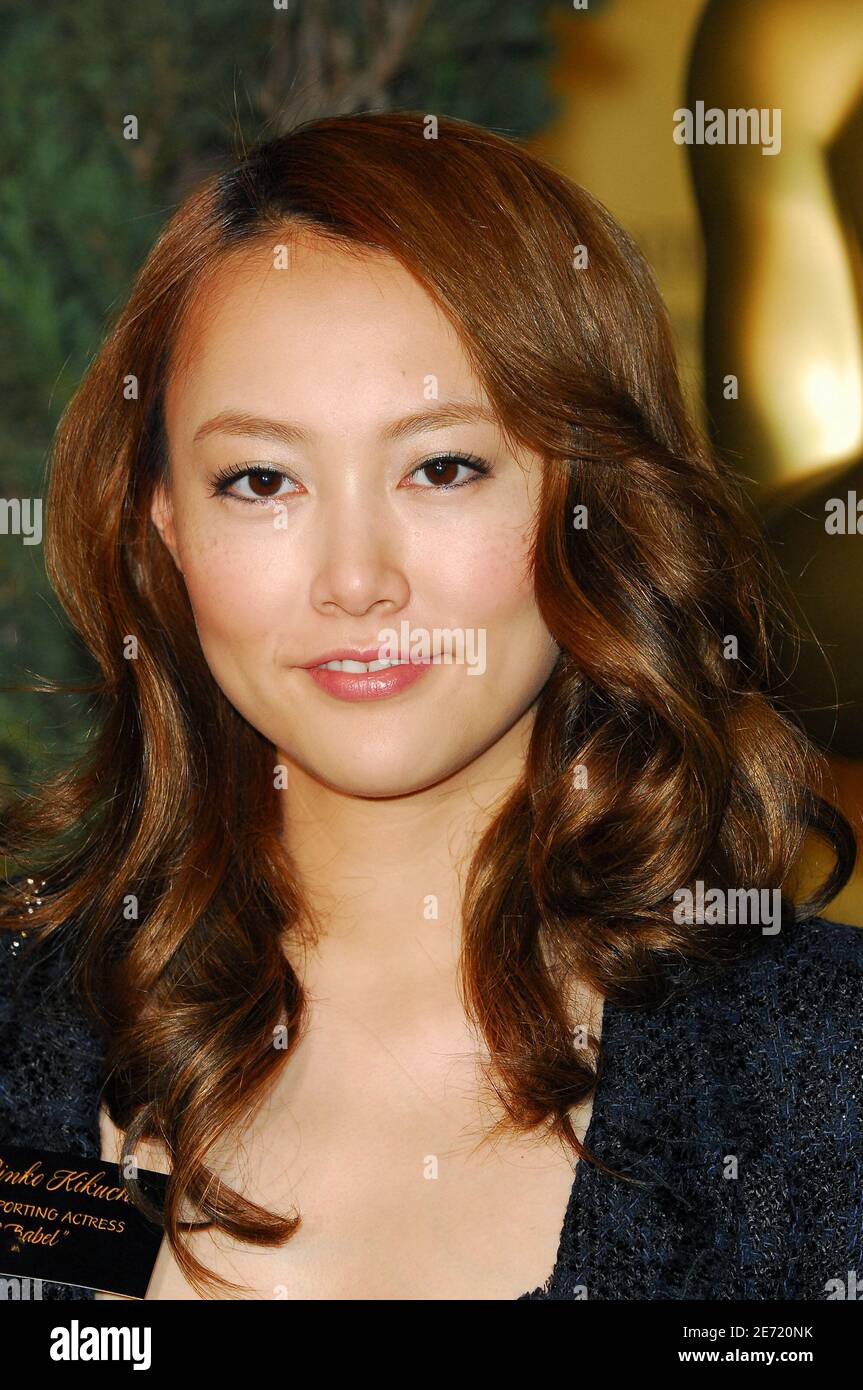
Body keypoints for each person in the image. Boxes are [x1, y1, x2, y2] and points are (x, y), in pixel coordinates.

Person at [1, 111, 861, 1302]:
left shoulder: (817, 1068)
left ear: (589, 500)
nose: (356, 578)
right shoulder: (21, 1036)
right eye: (261, 480)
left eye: (441, 467)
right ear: (165, 523)